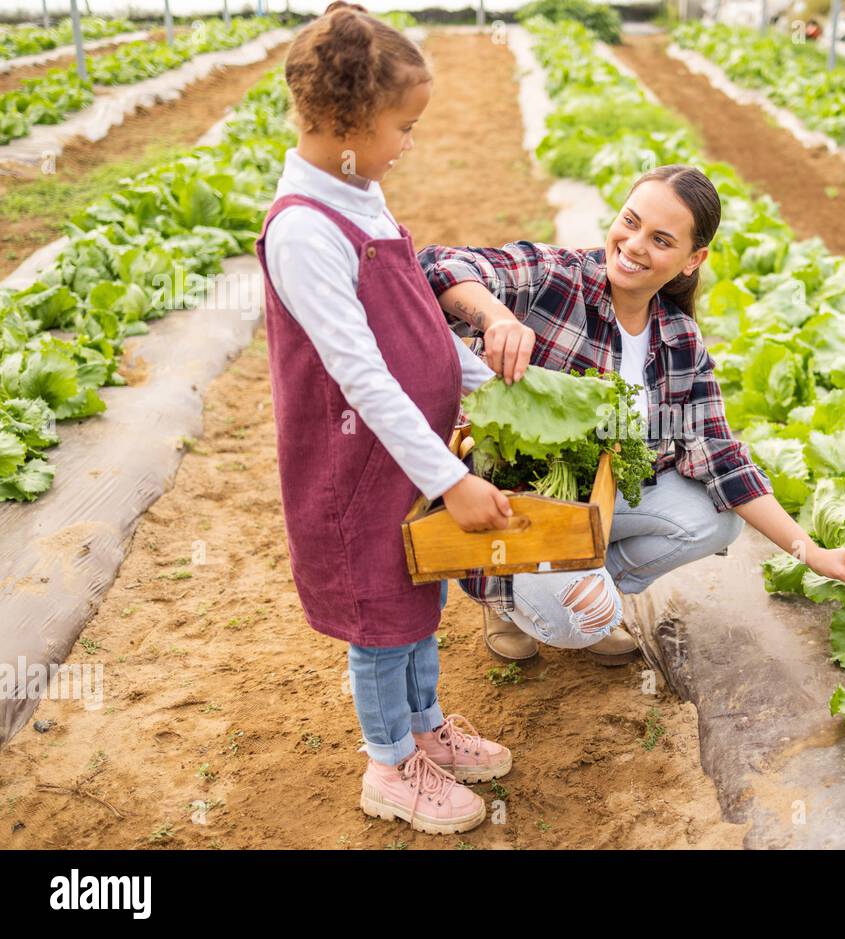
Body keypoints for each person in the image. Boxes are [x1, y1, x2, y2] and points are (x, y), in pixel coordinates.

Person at [421, 165, 845, 665]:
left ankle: (587, 586)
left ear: (691, 260)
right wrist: (497, 317)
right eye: (630, 222)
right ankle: (510, 599)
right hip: (509, 508)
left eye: (661, 239)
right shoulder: (558, 279)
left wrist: (811, 553)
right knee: (585, 618)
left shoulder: (678, 337)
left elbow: (722, 456)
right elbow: (437, 266)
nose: (635, 245)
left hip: (591, 506)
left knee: (717, 520)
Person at [257, 2, 514, 836]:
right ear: (345, 124)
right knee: (377, 615)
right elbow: (362, 372)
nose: (409, 143)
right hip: (353, 465)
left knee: (419, 592)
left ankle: (426, 726)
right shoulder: (303, 229)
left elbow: (419, 329)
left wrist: (488, 382)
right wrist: (452, 477)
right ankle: (387, 763)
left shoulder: (360, 194)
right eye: (402, 126)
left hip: (404, 449)